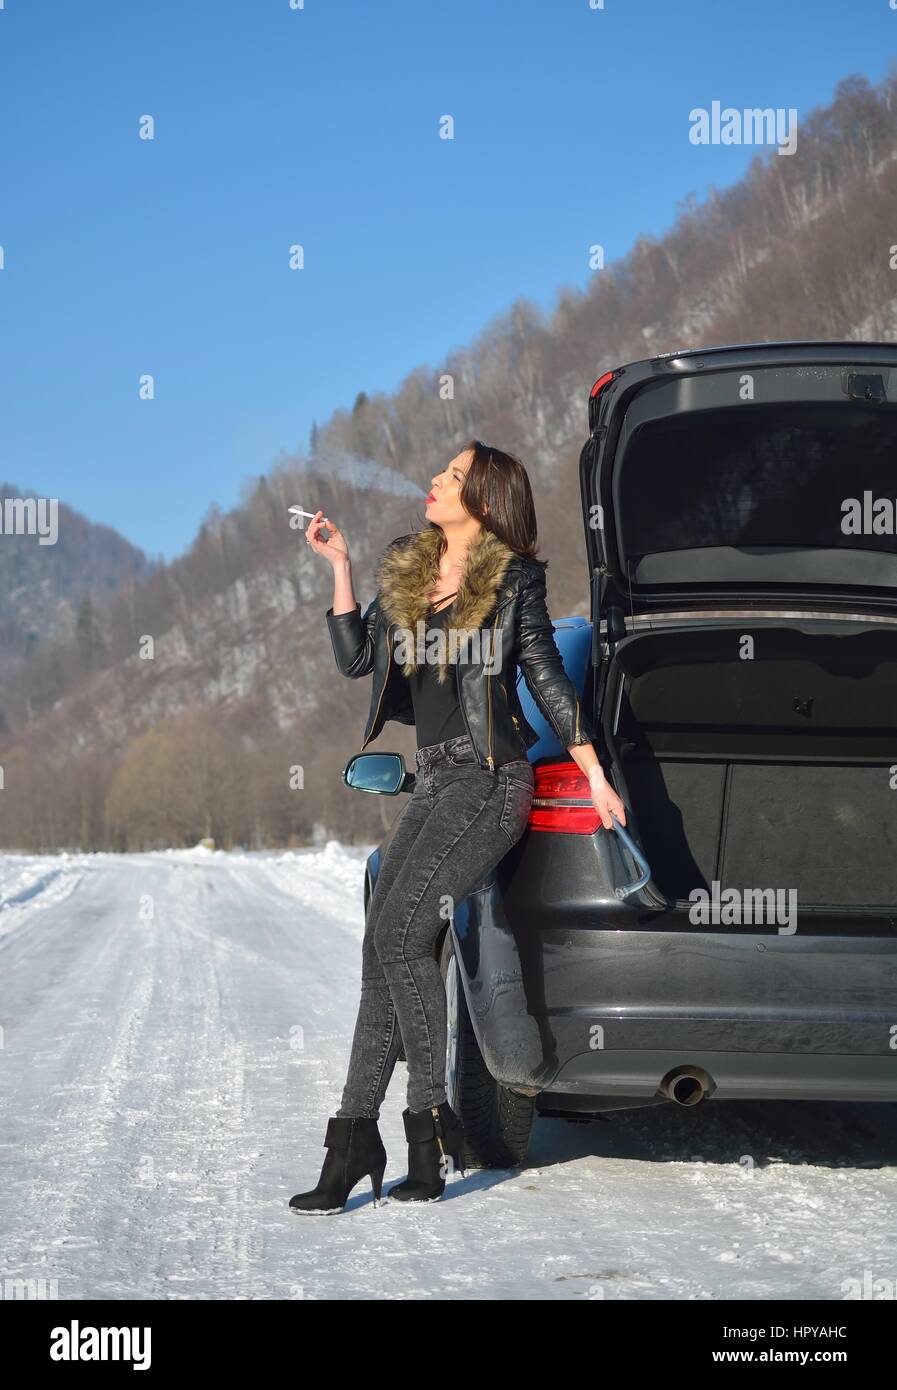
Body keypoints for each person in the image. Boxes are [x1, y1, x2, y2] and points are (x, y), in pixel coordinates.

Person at [289, 440, 626, 1213]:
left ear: (482, 498)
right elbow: (357, 659)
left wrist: (594, 771)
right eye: (439, 473)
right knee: (384, 944)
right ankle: (352, 1139)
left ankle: (424, 1123)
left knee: (402, 938)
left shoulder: (513, 581)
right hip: (434, 780)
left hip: (489, 780)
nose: (433, 482)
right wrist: (338, 568)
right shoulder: (409, 569)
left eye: (449, 476)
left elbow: (542, 672)